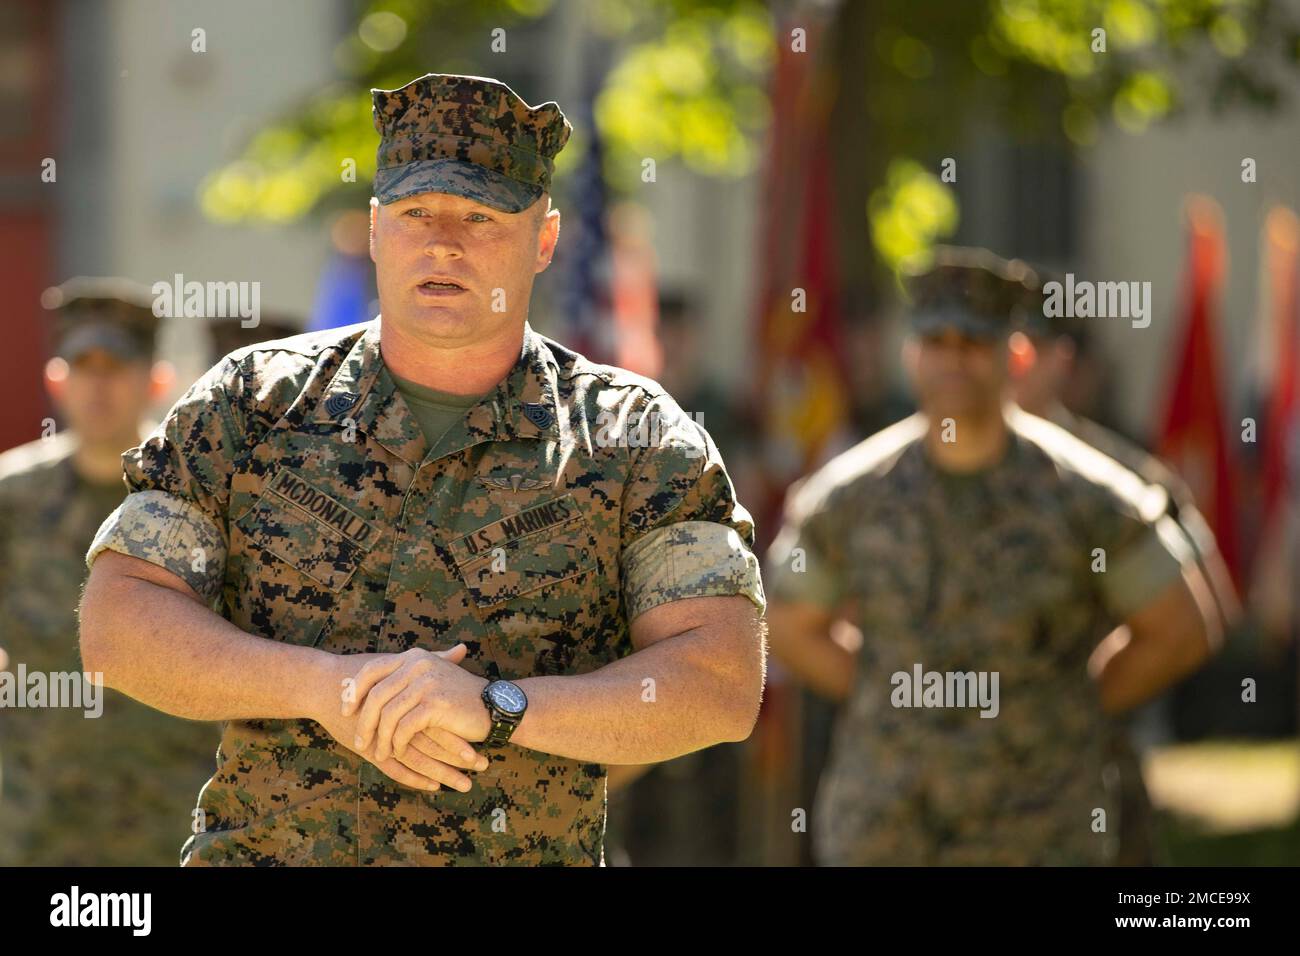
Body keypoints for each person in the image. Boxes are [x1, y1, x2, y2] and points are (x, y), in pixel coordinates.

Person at [78, 73, 767, 867]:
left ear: (544, 239)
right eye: (415, 215)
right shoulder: (250, 404)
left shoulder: (634, 436)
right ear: (374, 232)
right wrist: (324, 688)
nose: (444, 243)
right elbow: (119, 624)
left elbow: (718, 679)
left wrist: (495, 707)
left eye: (480, 217)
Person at [763, 246, 1221, 865]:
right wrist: (888, 691)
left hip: (1039, 826)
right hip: (889, 824)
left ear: (1016, 355)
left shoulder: (1092, 495)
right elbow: (788, 624)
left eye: (974, 343)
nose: (954, 360)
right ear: (911, 354)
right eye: (937, 341)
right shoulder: (846, 496)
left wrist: (1059, 701)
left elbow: (1181, 629)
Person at [1007, 288, 1242, 864]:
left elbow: (1213, 606)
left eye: (1023, 348)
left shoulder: (1124, 480)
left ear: (1061, 361)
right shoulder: (930, 473)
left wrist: (1082, 696)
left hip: (1088, 770)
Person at [0, 278, 218, 865]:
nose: (98, 387)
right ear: (55, 378)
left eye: (116, 366)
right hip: (33, 812)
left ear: (155, 380)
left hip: (168, 809)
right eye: (83, 367)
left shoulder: (191, 492)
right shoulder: (12, 496)